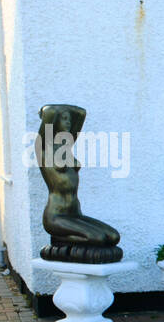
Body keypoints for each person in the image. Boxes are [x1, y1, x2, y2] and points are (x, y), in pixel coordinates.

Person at [37, 104, 123, 263]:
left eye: (69, 119)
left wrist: (67, 114)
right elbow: (50, 111)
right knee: (97, 238)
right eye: (63, 118)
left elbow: (81, 113)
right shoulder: (43, 148)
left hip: (75, 213)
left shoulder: (65, 146)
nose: (68, 122)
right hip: (56, 216)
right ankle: (60, 240)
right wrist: (45, 111)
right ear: (53, 122)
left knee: (113, 237)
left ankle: (64, 239)